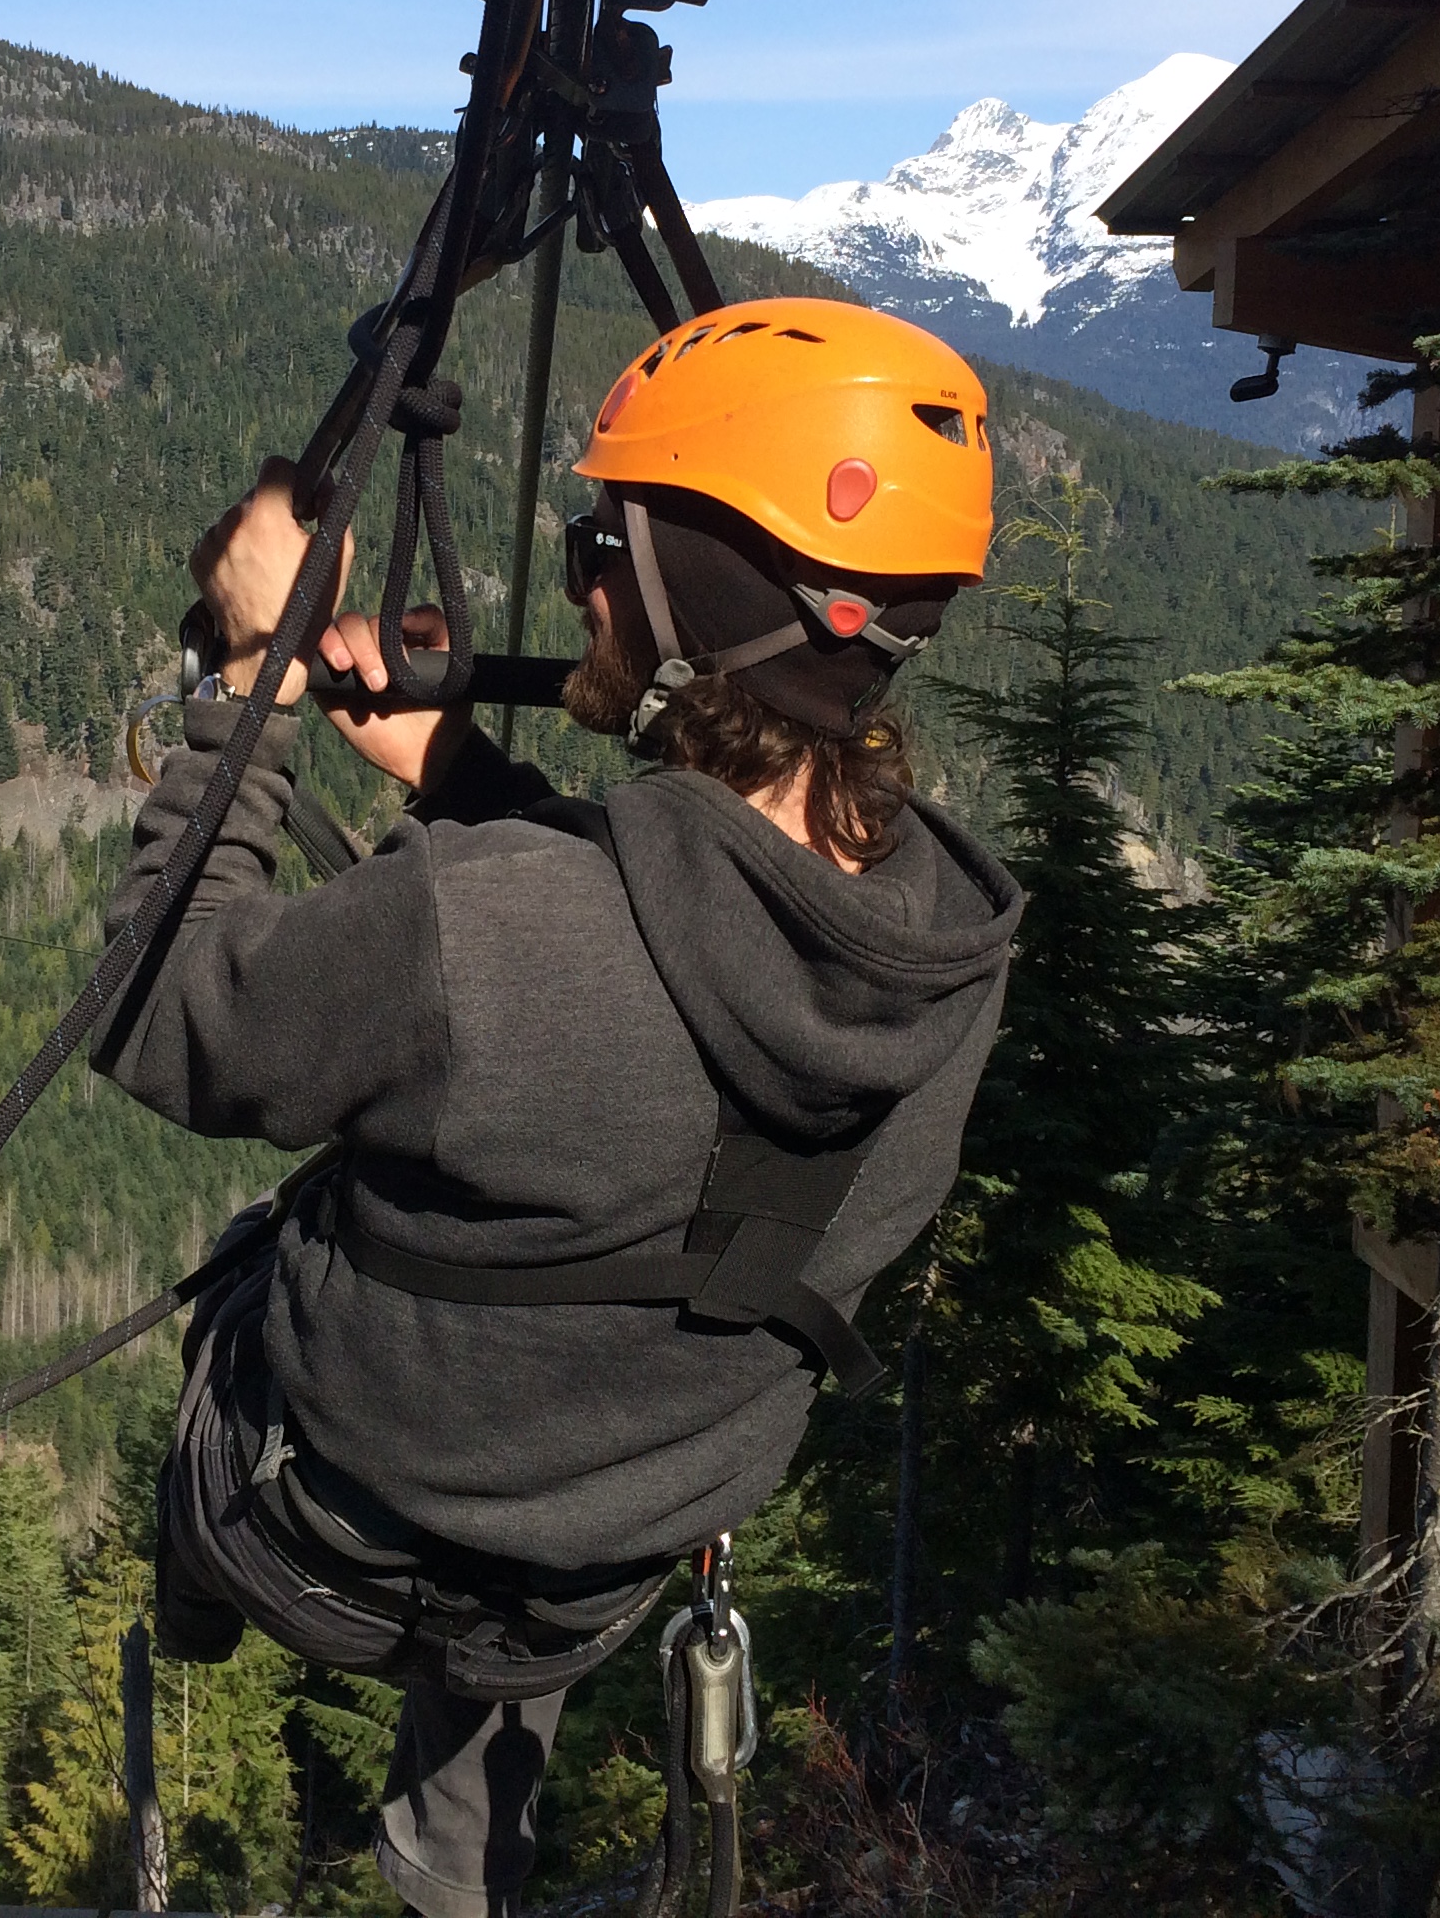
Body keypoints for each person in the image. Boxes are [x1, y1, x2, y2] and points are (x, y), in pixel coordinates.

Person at [89, 298, 1023, 1918]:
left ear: (693, 600)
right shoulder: (950, 952)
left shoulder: (484, 928)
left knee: (253, 1263)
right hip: (603, 1556)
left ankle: (193, 1583)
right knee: (579, 1377)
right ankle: (461, 1866)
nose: (581, 580)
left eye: (607, 542)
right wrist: (461, 776)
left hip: (316, 1516)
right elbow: (668, 973)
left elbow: (161, 1014)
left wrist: (248, 684)